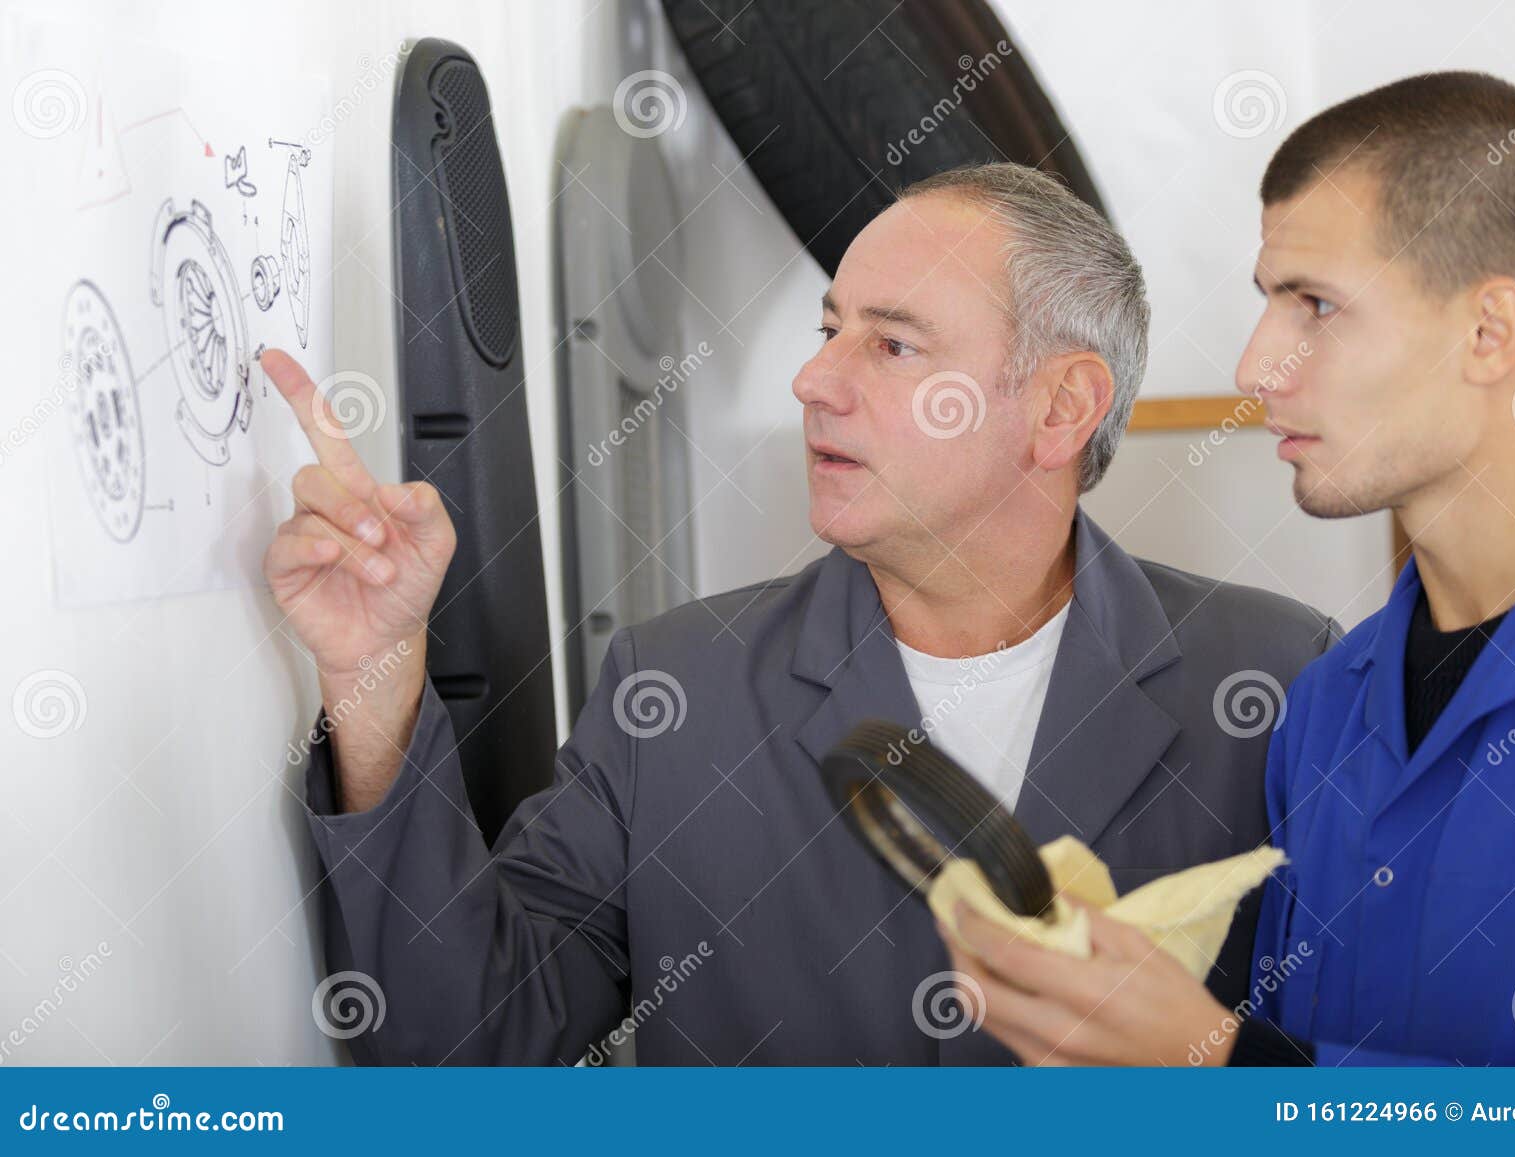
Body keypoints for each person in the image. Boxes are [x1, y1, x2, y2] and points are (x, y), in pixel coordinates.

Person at [264, 161, 1337, 1065]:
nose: (813, 379)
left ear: (1060, 406)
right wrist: (374, 672)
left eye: (891, 343)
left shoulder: (1281, 678)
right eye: (830, 328)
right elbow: (469, 1041)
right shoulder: (674, 691)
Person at [944, 71, 1515, 1067]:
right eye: (1268, 302)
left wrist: (1221, 1063)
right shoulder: (1326, 702)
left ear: (1489, 332)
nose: (1256, 367)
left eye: (1315, 305)